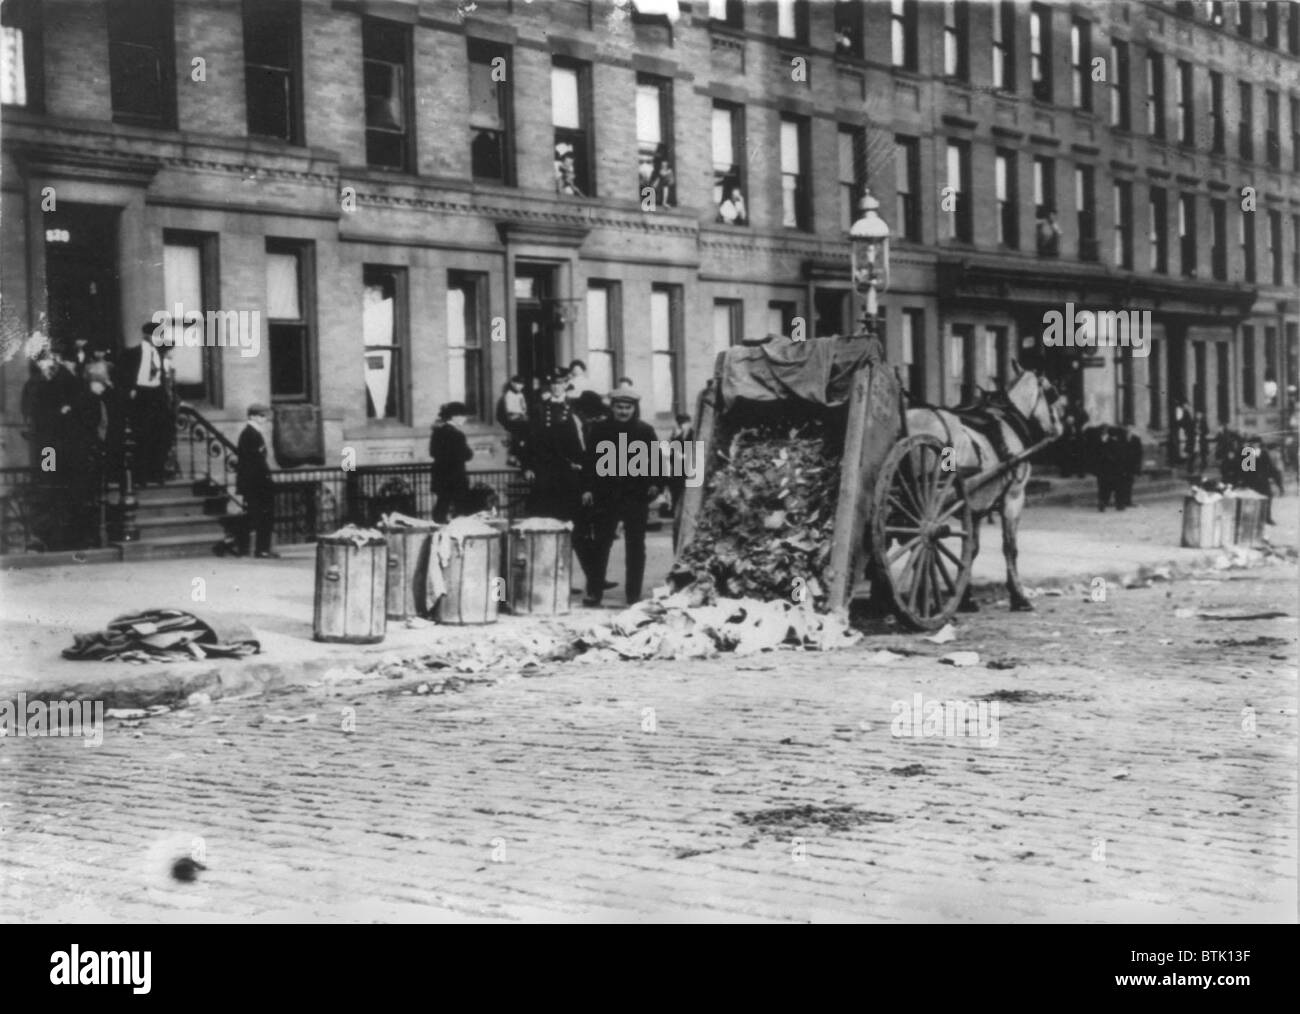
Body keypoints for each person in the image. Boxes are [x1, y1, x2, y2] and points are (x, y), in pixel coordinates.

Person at [581, 387, 660, 607]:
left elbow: (656, 460)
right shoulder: (599, 430)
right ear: (612, 408)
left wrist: (655, 483)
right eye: (619, 407)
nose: (623, 411)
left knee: (636, 546)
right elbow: (589, 461)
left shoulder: (645, 431)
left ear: (634, 408)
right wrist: (587, 488)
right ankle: (594, 592)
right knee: (600, 544)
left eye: (628, 407)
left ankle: (633, 594)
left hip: (635, 496)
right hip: (606, 495)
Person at [114, 323, 172, 486]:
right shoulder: (132, 353)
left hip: (157, 394)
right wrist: (130, 389)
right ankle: (141, 475)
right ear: (147, 336)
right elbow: (122, 375)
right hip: (141, 394)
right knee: (142, 434)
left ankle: (157, 472)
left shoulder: (160, 353)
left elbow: (162, 375)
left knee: (160, 433)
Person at [524, 371, 585, 521]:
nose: (556, 387)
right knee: (543, 510)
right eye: (553, 384)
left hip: (568, 467)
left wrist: (581, 462)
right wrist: (528, 466)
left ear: (566, 385)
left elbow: (583, 437)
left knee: (567, 510)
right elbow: (530, 439)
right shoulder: (539, 408)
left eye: (560, 383)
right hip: (544, 467)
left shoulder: (575, 407)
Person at [235, 404, 279, 558]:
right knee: (262, 515)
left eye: (265, 416)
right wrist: (265, 479)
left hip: (256, 482)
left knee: (262, 515)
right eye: (261, 416)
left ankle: (263, 548)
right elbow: (254, 461)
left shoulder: (254, 433)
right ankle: (261, 549)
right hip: (256, 483)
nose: (264, 419)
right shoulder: (250, 434)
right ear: (252, 416)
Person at [430, 401, 473, 523]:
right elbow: (467, 454)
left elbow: (433, 452)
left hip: (441, 475)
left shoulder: (437, 432)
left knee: (442, 504)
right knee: (460, 508)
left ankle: (438, 527)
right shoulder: (457, 435)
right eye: (463, 416)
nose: (465, 419)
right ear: (455, 416)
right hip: (456, 476)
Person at [1235, 435, 1285, 524]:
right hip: (1251, 482)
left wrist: (1279, 484)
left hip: (1263, 481)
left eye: (1257, 443)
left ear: (1259, 444)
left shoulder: (1264, 453)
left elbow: (1270, 468)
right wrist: (1242, 481)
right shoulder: (1247, 452)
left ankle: (1267, 517)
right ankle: (1251, 518)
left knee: (1268, 497)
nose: (1255, 445)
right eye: (1253, 443)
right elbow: (1244, 470)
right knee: (1251, 501)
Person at [665, 412, 695, 516]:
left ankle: (678, 510)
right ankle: (674, 509)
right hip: (676, 466)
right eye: (680, 422)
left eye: (684, 422)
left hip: (685, 466)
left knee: (680, 489)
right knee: (674, 489)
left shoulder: (692, 434)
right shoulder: (679, 433)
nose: (682, 424)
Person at [495, 376, 529, 466]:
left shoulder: (521, 395)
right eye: (518, 384)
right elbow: (506, 412)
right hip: (511, 421)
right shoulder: (508, 395)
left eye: (522, 384)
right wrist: (518, 415)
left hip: (520, 421)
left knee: (523, 437)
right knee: (516, 437)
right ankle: (513, 457)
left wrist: (523, 414)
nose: (520, 386)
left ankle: (520, 457)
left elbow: (524, 408)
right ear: (512, 384)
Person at [1115, 424, 1143, 510]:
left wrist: (1138, 465)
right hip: (1123, 465)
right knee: (1122, 483)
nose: (1128, 429)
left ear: (1132, 428)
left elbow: (1139, 453)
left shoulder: (1136, 439)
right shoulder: (1121, 438)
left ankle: (1128, 500)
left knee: (1129, 482)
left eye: (1130, 427)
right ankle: (1122, 501)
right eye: (1127, 427)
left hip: (1131, 465)